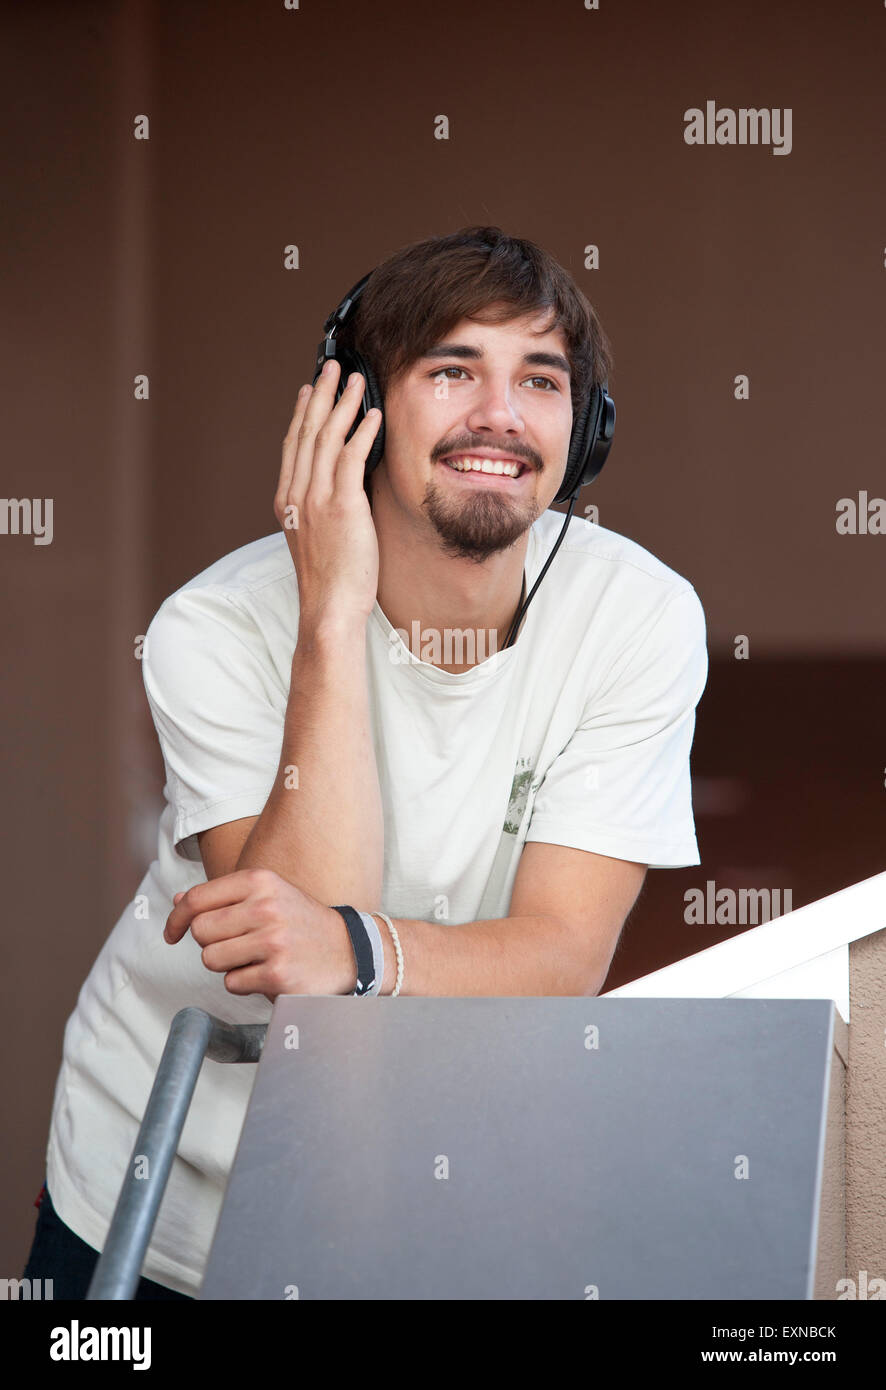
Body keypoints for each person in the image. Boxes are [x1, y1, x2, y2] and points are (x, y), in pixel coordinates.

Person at [24, 225, 708, 1299]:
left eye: (540, 378)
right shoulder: (213, 626)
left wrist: (352, 947)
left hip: (412, 1181)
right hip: (161, 1187)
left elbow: (562, 955)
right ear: (356, 411)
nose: (500, 413)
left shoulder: (640, 619)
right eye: (451, 370)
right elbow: (296, 979)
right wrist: (332, 613)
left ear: (585, 434)